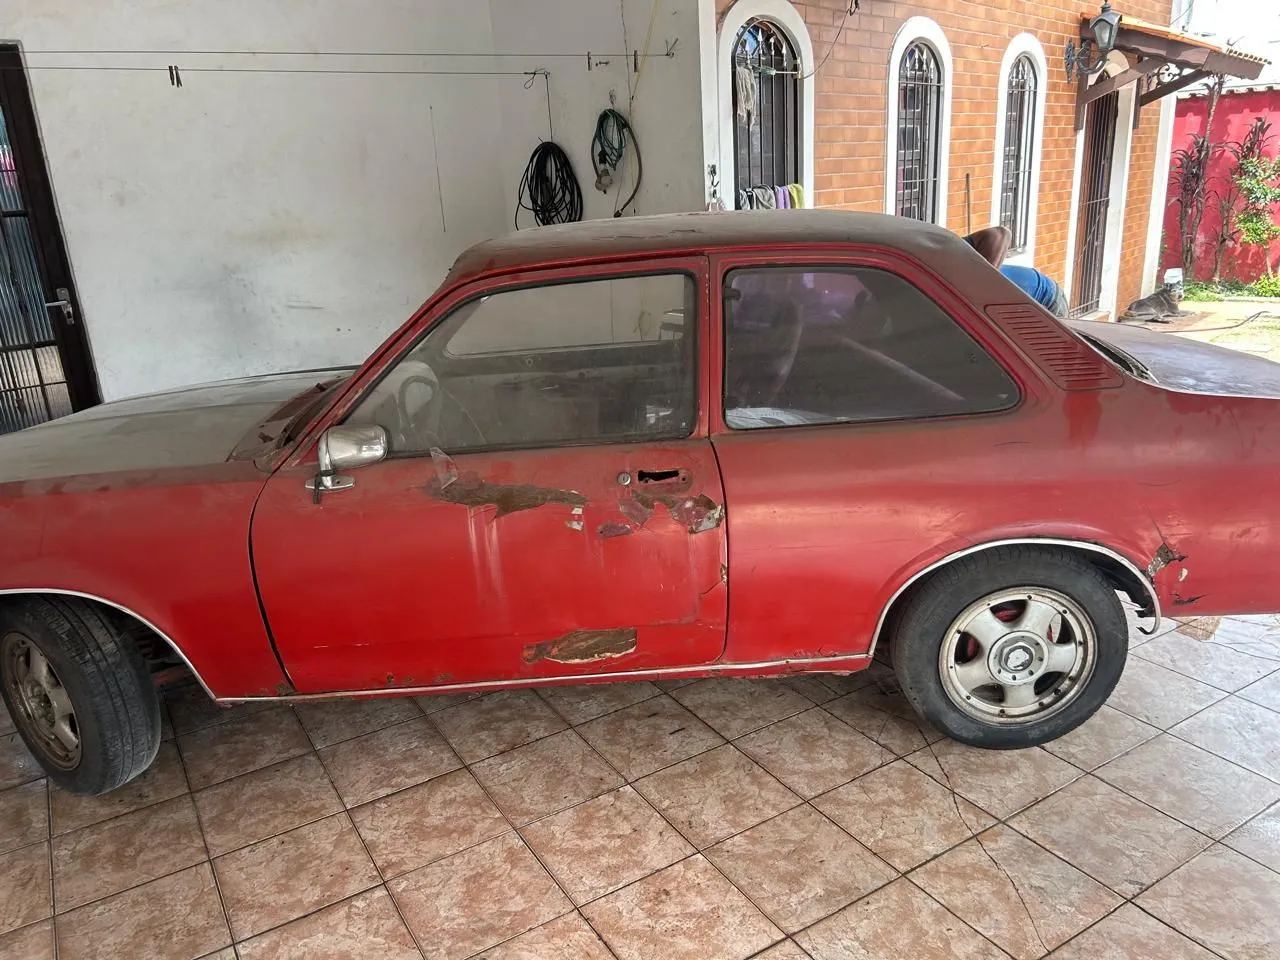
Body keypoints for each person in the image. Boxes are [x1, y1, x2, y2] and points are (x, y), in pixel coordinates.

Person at [962, 226, 1069, 318]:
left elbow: (1001, 234)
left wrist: (982, 288)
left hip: (1048, 299)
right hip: (1020, 308)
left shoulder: (950, 251)